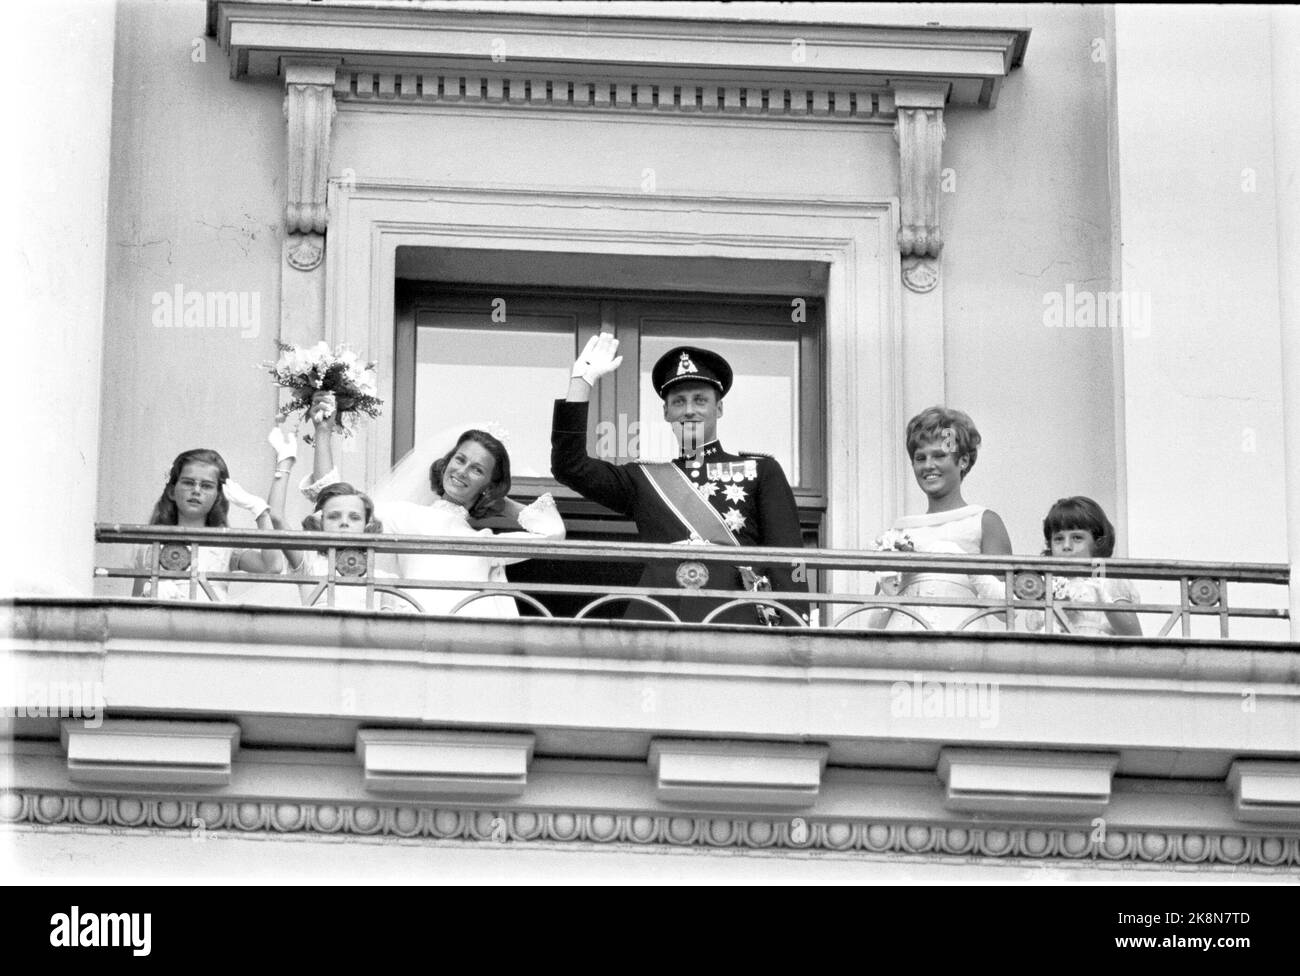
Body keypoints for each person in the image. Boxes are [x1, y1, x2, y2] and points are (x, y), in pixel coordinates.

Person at [551, 334, 807, 624]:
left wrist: (796, 627)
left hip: (736, 619)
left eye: (700, 400)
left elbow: (787, 558)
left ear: (718, 408)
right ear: (666, 412)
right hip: (658, 621)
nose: (689, 410)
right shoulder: (644, 479)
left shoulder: (761, 470)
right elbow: (569, 467)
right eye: (678, 402)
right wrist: (581, 383)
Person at [301, 392, 564, 617]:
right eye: (460, 460)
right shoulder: (405, 516)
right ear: (447, 461)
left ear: (488, 483)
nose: (462, 472)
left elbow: (551, 535)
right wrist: (323, 434)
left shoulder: (484, 541)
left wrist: (499, 501)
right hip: (421, 638)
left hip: (476, 646)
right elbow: (334, 506)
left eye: (477, 470)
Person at [872, 406, 1012, 631]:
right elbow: (876, 624)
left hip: (961, 640)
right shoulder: (900, 532)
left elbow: (1008, 609)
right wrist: (888, 588)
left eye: (939, 455)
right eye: (920, 458)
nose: (928, 465)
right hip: (905, 645)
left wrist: (963, 562)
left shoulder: (983, 521)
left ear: (963, 460)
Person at [265, 428, 405, 611]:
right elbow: (276, 515)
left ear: (367, 525)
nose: (344, 522)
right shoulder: (309, 565)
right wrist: (284, 462)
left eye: (354, 517)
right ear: (320, 523)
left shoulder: (385, 579)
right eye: (333, 516)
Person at [133, 448, 283, 601]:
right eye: (188, 483)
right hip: (163, 622)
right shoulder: (149, 545)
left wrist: (260, 511)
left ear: (218, 496)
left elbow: (272, 567)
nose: (196, 490)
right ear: (172, 491)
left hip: (212, 623)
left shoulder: (225, 545)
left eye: (206, 485)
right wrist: (149, 592)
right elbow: (133, 609)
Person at [1027, 496, 1141, 636]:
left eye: (1077, 538)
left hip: (1098, 653)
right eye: (1059, 539)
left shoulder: (1106, 579)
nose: (1067, 546)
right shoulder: (1047, 583)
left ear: (1097, 542)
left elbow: (1133, 634)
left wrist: (1103, 596)